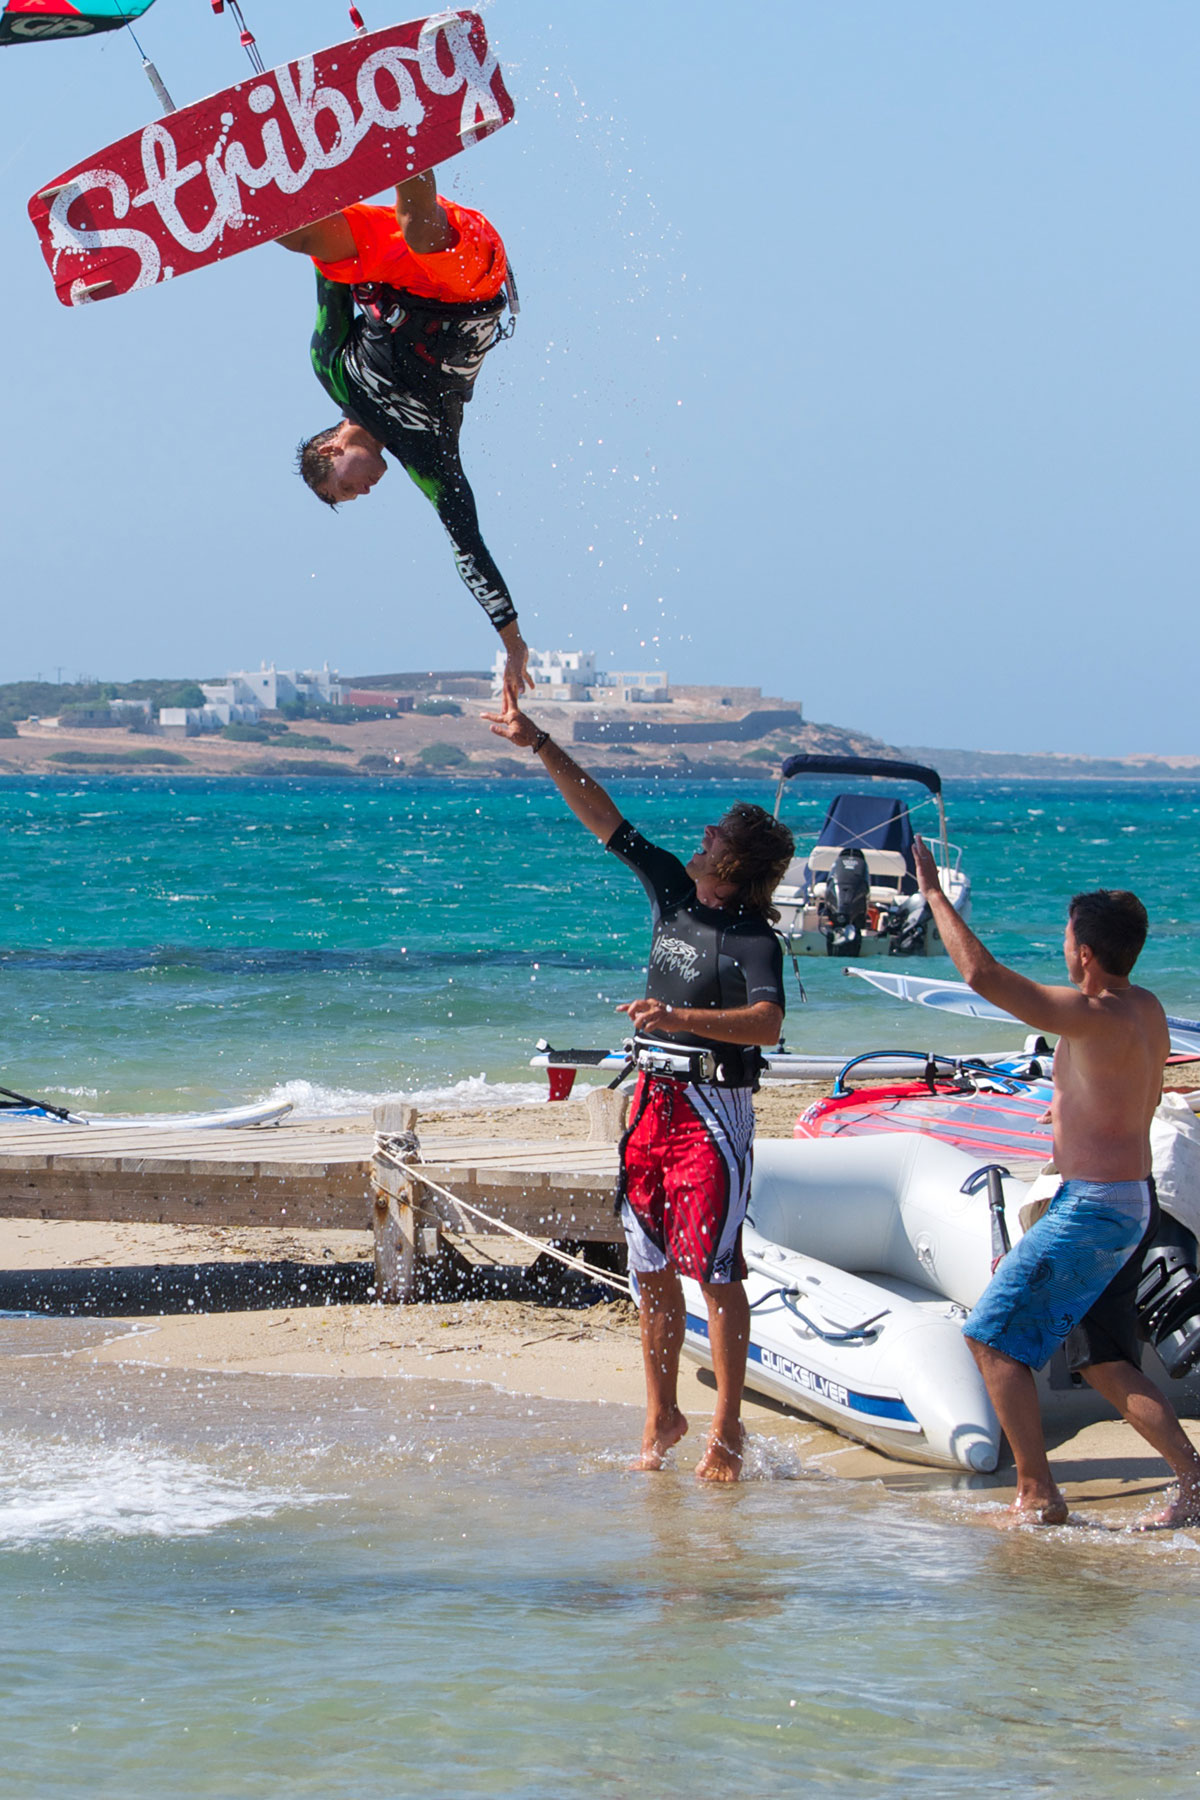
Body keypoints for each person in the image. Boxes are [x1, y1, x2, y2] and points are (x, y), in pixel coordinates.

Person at [485, 703, 795, 1480]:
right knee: (648, 1266)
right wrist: (541, 744)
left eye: (714, 837)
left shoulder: (755, 939)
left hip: (714, 1116)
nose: (701, 839)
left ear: (734, 863)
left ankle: (728, 1431)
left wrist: (677, 1016)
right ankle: (662, 1410)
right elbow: (605, 818)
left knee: (717, 1274)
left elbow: (766, 1024)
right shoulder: (673, 895)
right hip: (650, 1106)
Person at [914, 838, 1200, 1527]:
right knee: (1101, 1360)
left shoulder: (1090, 1014)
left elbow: (982, 975)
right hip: (1134, 1203)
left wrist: (932, 897)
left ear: (1087, 956)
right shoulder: (1147, 1009)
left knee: (990, 1340)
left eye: (1069, 938)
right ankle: (1195, 1483)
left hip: (1094, 1211)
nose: (1063, 948)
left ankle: (1038, 1493)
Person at [278, 170, 532, 709]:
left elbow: (330, 282)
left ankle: (382, 133)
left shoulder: (332, 371)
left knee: (301, 237)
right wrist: (512, 645)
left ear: (330, 451)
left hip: (396, 275)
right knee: (419, 228)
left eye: (346, 490)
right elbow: (468, 546)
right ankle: (410, 145)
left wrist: (320, 198)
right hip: (471, 289)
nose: (364, 494)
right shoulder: (426, 455)